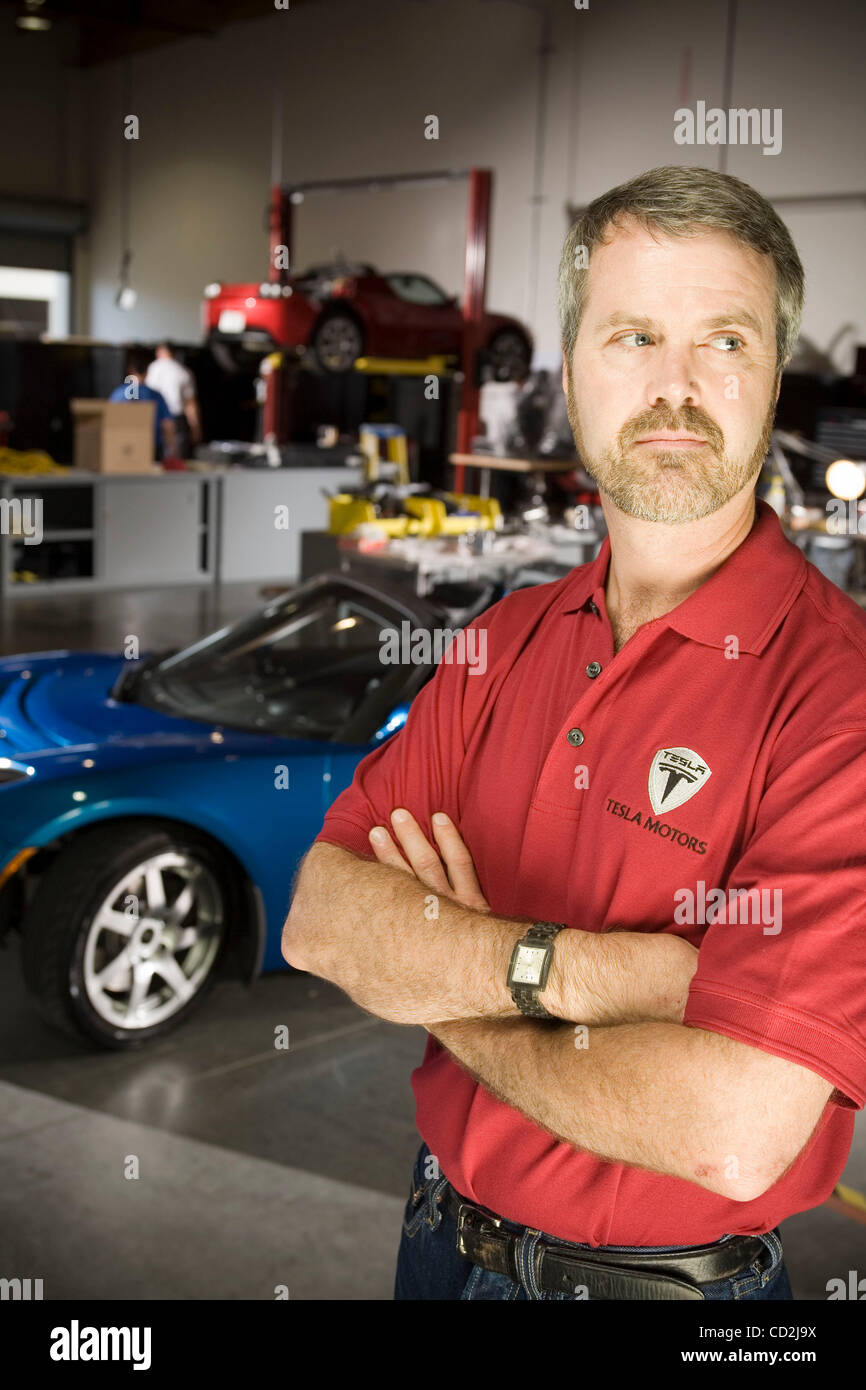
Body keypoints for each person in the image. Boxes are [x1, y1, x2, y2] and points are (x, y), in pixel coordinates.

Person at [282, 165, 866, 1301]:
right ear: (570, 372)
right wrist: (594, 974)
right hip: (433, 1246)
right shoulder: (501, 641)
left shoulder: (835, 700)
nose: (674, 387)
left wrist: (446, 976)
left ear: (771, 378)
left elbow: (729, 1132)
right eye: (632, 336)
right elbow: (321, 917)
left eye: (724, 342)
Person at [109, 348, 175, 459]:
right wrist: (172, 449)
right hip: (152, 446)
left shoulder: (118, 394)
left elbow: (109, 422)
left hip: (124, 447)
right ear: (147, 372)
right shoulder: (156, 395)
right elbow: (167, 424)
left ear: (129, 371)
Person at [145, 341, 201, 459]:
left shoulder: (153, 368)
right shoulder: (183, 371)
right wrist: (195, 427)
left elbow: (147, 396)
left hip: (156, 417)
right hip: (176, 419)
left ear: (160, 351)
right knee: (176, 457)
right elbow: (190, 404)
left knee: (155, 456)